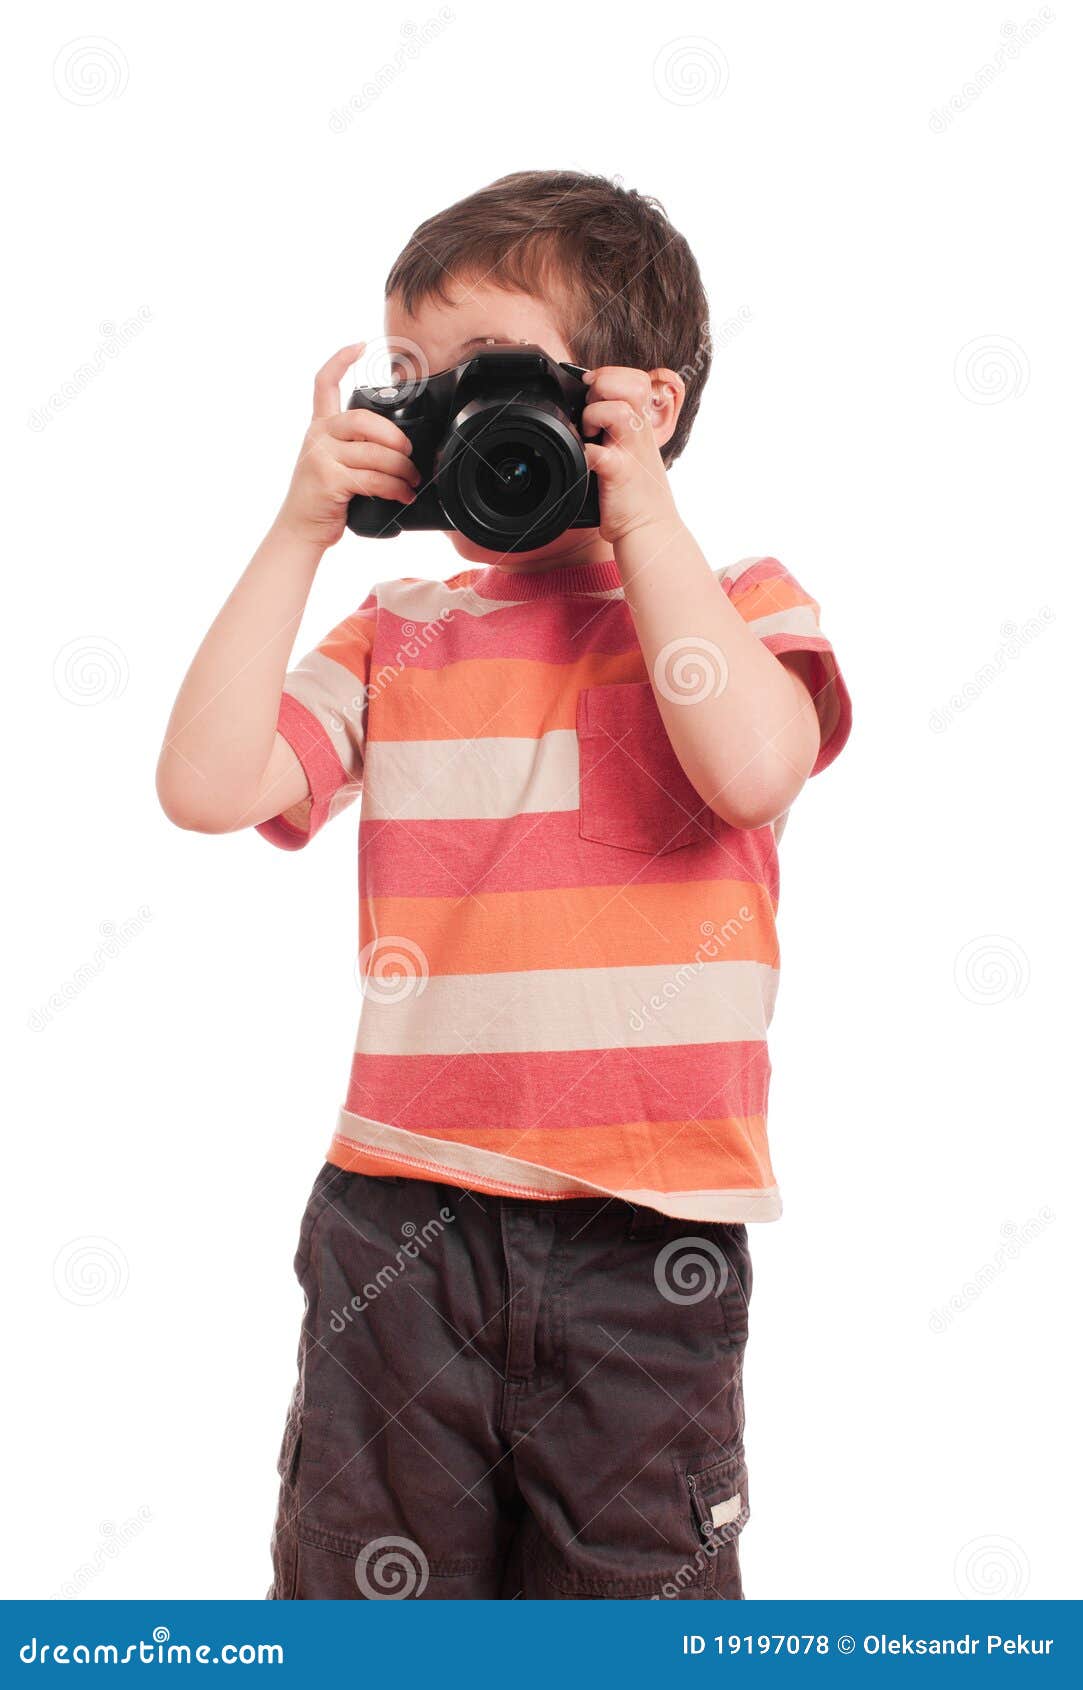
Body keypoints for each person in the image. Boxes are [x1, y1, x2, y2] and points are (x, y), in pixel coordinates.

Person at [157, 169, 851, 1600]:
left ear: (640, 405)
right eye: (415, 380)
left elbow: (750, 770)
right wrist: (297, 529)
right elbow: (207, 785)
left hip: (646, 1237)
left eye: (494, 375)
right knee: (368, 1611)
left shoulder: (739, 605)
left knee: (636, 1619)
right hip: (398, 1224)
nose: (454, 417)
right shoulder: (398, 632)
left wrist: (644, 521)